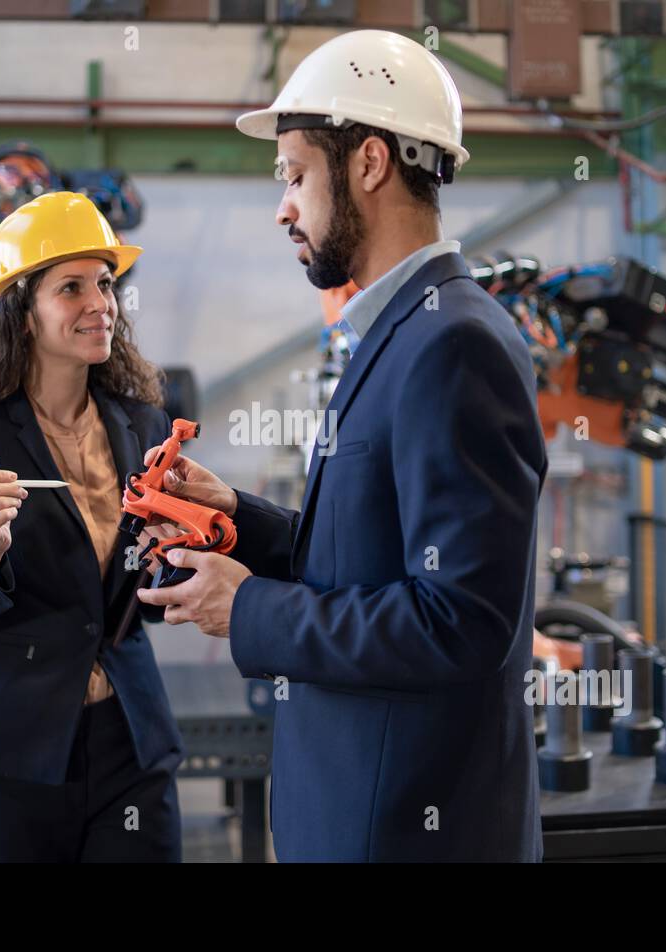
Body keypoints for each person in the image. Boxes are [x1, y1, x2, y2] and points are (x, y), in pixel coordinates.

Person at [137, 30, 549, 861]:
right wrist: (239, 518)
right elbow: (379, 560)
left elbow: (459, 622)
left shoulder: (452, 344)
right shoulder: (399, 332)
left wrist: (246, 606)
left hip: (405, 830)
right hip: (359, 814)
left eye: (294, 175)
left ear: (367, 163)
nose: (282, 205)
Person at [0, 191, 183, 862]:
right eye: (71, 287)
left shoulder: (140, 424)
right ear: (22, 315)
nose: (100, 303)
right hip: (10, 759)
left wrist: (173, 556)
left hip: (130, 744)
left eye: (106, 283)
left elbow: (139, 604)